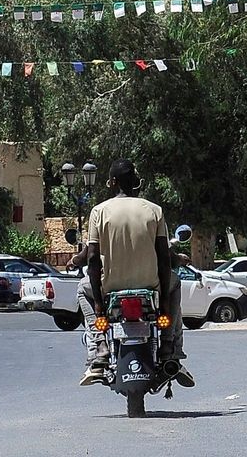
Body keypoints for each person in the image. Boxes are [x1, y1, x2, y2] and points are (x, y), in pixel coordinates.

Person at [80, 159, 193, 388]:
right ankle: (170, 349)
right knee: (176, 283)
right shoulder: (154, 210)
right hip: (150, 286)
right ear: (136, 182)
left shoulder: (98, 212)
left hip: (110, 286)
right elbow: (163, 257)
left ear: (111, 182)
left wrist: (101, 306)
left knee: (82, 289)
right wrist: (162, 305)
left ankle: (99, 347)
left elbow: (92, 259)